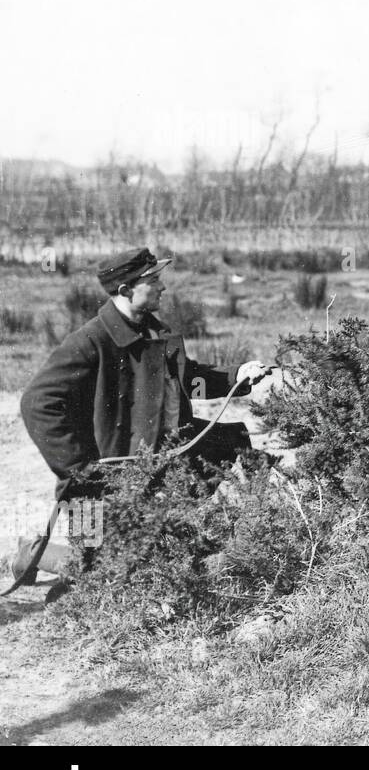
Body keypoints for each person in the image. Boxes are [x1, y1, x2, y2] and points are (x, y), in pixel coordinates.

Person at [5, 248, 271, 587]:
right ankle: (34, 553)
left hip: (155, 471)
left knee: (154, 560)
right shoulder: (90, 341)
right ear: (125, 290)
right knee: (104, 574)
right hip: (98, 484)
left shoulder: (156, 333)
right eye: (153, 280)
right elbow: (36, 403)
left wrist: (237, 375)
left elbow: (188, 381)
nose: (162, 287)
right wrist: (79, 466)